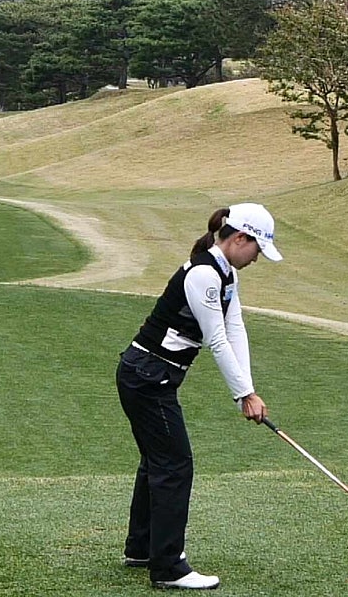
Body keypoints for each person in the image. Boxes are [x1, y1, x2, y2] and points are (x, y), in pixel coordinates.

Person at [116, 203, 281, 589]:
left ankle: (142, 547)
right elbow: (216, 340)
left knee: (158, 461)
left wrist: (248, 390)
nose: (257, 258)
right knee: (174, 464)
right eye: (257, 248)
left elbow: (235, 328)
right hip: (146, 376)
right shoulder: (204, 274)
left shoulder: (225, 275)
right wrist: (243, 394)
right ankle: (169, 567)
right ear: (240, 238)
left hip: (150, 376)